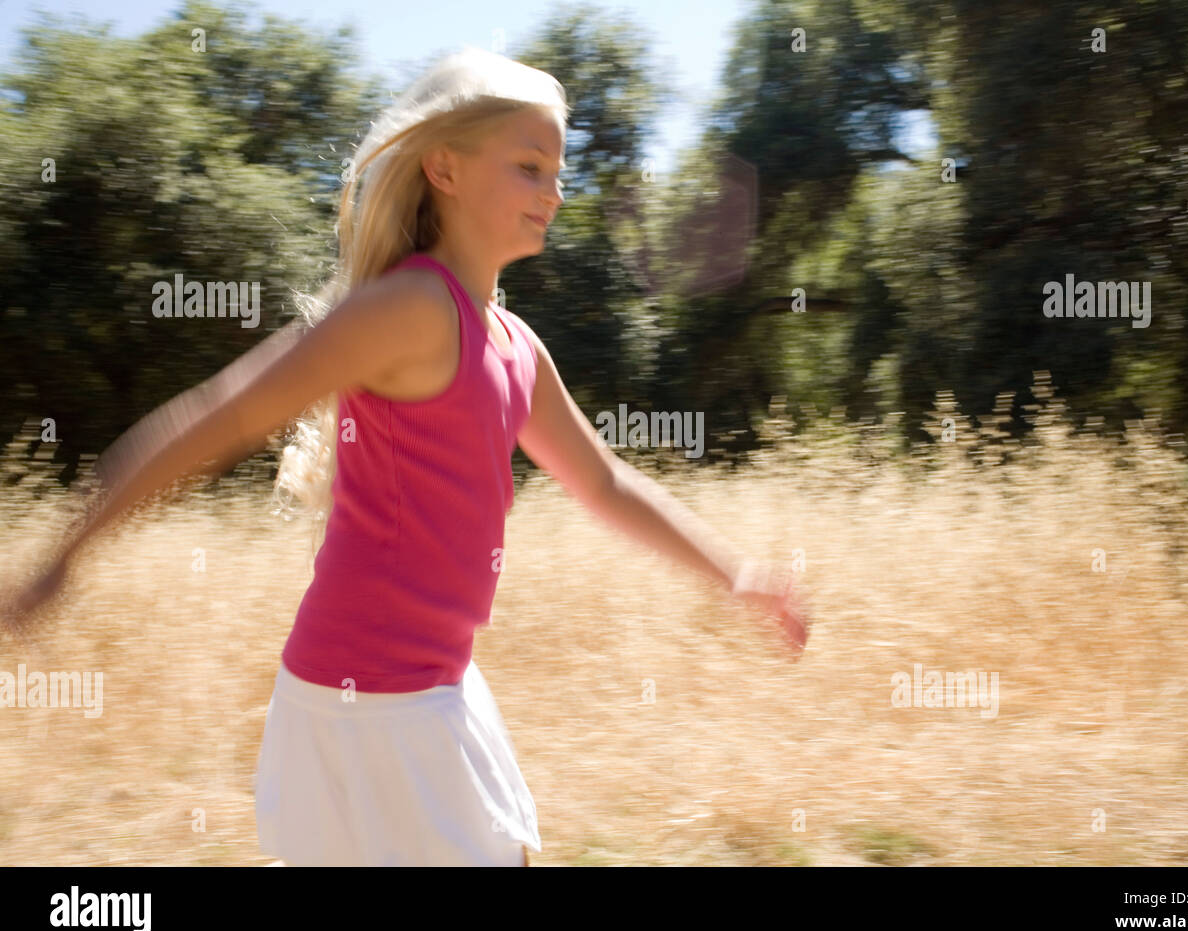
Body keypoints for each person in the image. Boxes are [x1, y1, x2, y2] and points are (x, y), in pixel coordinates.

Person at [0, 46, 809, 866]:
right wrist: (64, 555)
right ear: (444, 170)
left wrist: (734, 572)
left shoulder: (515, 344)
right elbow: (223, 417)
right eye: (529, 167)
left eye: (558, 171)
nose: (554, 193)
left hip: (439, 685)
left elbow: (602, 481)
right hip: (370, 702)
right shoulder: (412, 308)